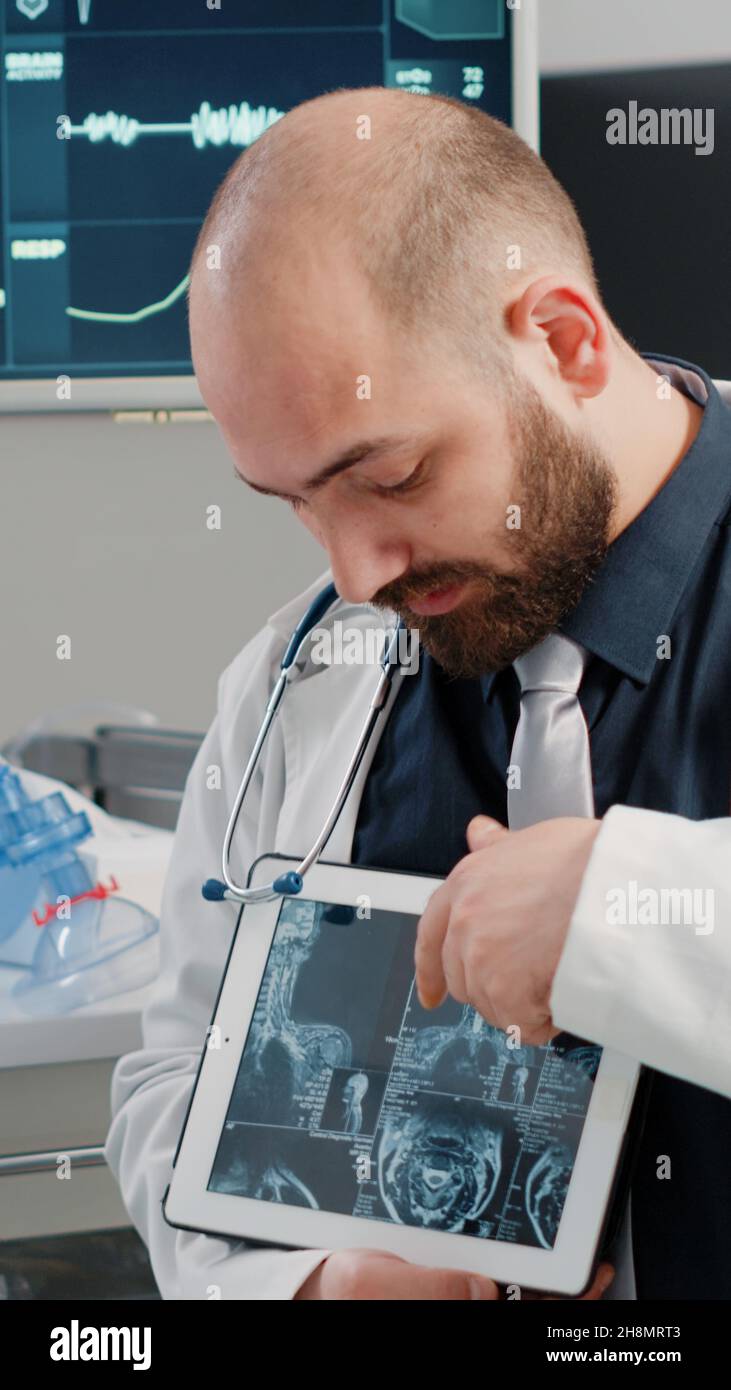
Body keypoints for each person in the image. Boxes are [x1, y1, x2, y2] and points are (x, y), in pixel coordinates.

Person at [105, 86, 731, 1301]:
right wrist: (311, 1283)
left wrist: (629, 913)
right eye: (295, 503)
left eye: (387, 475)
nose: (353, 572)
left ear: (561, 341)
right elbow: (175, 1080)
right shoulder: (299, 674)